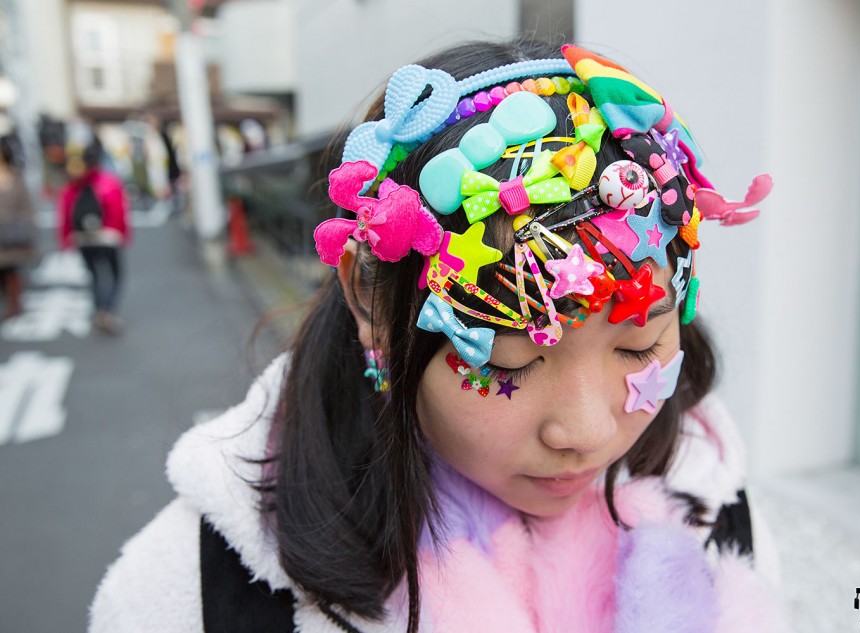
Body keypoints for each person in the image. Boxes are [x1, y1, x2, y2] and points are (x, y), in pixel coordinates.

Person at [90, 38, 787, 632]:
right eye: (510, 359)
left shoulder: (714, 508)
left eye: (637, 347)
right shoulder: (194, 590)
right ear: (370, 298)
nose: (584, 430)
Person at [58, 136, 130, 334]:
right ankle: (107, 309)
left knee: (94, 276)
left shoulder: (72, 185)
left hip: (82, 238)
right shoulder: (108, 182)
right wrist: (122, 233)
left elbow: (65, 213)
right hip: (108, 237)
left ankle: (99, 308)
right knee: (114, 275)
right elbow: (119, 210)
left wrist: (65, 239)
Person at [0, 135, 37, 320]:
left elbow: (26, 207)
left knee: (12, 273)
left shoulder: (16, 177)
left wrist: (24, 224)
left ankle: (14, 306)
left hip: (11, 235)